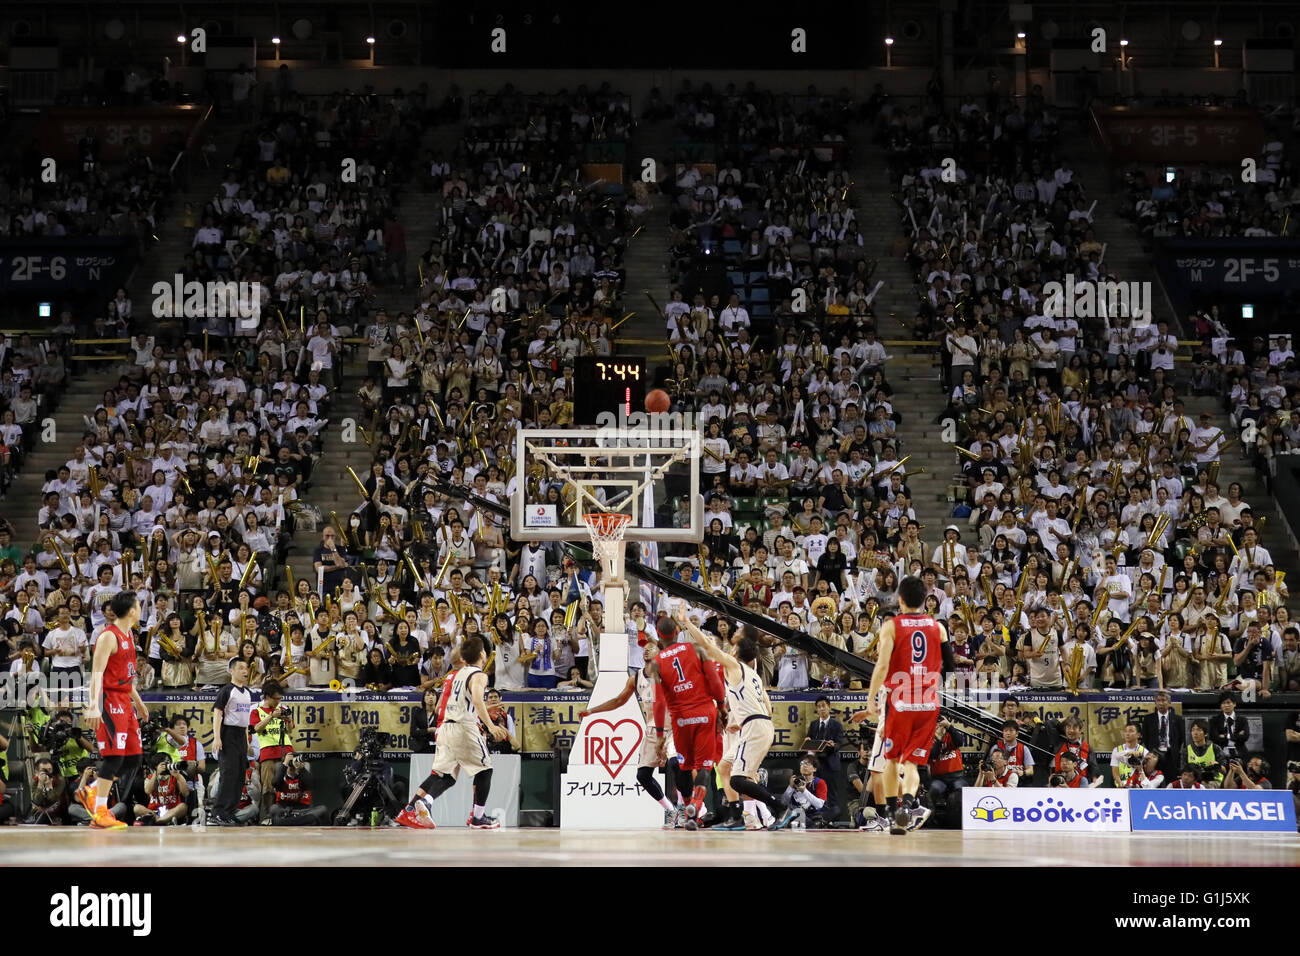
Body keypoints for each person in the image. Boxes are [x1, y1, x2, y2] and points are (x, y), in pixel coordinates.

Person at [850, 575, 952, 834]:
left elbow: (882, 666)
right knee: (913, 764)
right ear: (925, 601)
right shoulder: (938, 627)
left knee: (892, 760)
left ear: (900, 599)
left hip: (900, 701)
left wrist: (871, 698)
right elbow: (949, 667)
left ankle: (895, 813)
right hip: (928, 703)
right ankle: (908, 804)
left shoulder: (892, 626)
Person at [676, 610, 794, 831]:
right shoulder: (753, 674)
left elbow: (708, 646)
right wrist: (743, 717)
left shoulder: (734, 666)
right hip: (758, 724)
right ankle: (736, 815)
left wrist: (687, 624)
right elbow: (768, 705)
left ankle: (779, 808)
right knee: (724, 767)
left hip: (754, 727)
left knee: (739, 780)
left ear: (737, 653)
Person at [396, 636, 507, 830]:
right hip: (463, 727)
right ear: (483, 655)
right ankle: (478, 818)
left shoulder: (455, 674)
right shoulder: (479, 675)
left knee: (445, 775)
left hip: (446, 727)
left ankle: (424, 803)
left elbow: (445, 705)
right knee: (485, 769)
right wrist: (491, 726)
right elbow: (479, 701)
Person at [645, 612, 727, 830]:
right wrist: (722, 707)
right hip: (705, 712)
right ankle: (696, 807)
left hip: (681, 719)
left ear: (659, 636)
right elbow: (715, 682)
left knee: (683, 766)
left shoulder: (655, 664)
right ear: (677, 632)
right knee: (705, 767)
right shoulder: (698, 650)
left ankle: (690, 806)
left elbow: (659, 703)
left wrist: (661, 735)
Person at [78, 591, 150, 829]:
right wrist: (93, 706)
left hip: (124, 701)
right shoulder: (108, 637)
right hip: (108, 701)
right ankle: (100, 811)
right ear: (131, 611)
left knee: (133, 758)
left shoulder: (129, 633)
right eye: (138, 606)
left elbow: (125, 677)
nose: (140, 609)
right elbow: (96, 673)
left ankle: (92, 791)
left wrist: (138, 702)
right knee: (114, 757)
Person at [210, 658, 254, 825]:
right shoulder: (227, 690)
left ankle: (229, 812)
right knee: (228, 774)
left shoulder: (248, 692)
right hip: (227, 734)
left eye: (246, 668)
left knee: (239, 775)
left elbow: (245, 720)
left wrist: (247, 742)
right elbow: (218, 713)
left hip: (241, 736)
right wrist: (217, 737)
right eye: (241, 668)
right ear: (231, 671)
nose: (245, 671)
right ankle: (217, 812)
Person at [250, 681, 295, 822]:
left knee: (290, 783)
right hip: (268, 752)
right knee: (268, 786)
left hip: (286, 750)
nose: (278, 701)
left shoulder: (283, 708)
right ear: (267, 697)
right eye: (276, 698)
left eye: (280, 698)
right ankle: (268, 815)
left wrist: (288, 720)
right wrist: (271, 716)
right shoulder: (256, 710)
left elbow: (290, 730)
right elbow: (256, 728)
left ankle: (289, 814)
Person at [270, 754, 330, 825]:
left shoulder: (303, 774)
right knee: (273, 808)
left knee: (323, 809)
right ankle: (306, 821)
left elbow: (310, 785)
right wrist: (285, 764)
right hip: (285, 811)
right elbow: (276, 783)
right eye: (290, 764)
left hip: (303, 811)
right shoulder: (281, 773)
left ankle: (286, 823)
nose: (292, 767)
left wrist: (301, 769)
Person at [133, 752, 190, 825]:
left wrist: (178, 776)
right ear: (156, 766)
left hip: (171, 811)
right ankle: (162, 820)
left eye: (168, 763)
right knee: (137, 808)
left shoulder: (176, 776)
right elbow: (147, 791)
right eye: (163, 764)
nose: (166, 766)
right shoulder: (150, 777)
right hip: (154, 812)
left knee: (183, 806)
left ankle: (157, 821)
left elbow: (186, 793)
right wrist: (156, 773)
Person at [1140, 690, 1185, 778]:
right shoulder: (1148, 719)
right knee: (1154, 782)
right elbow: (1145, 737)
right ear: (1155, 703)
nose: (1161, 703)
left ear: (1169, 702)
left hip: (1171, 755)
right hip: (1154, 755)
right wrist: (1152, 751)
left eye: (1164, 700)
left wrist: (1175, 749)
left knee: (1171, 782)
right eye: (1158, 700)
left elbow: (1181, 738)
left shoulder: (1178, 719)